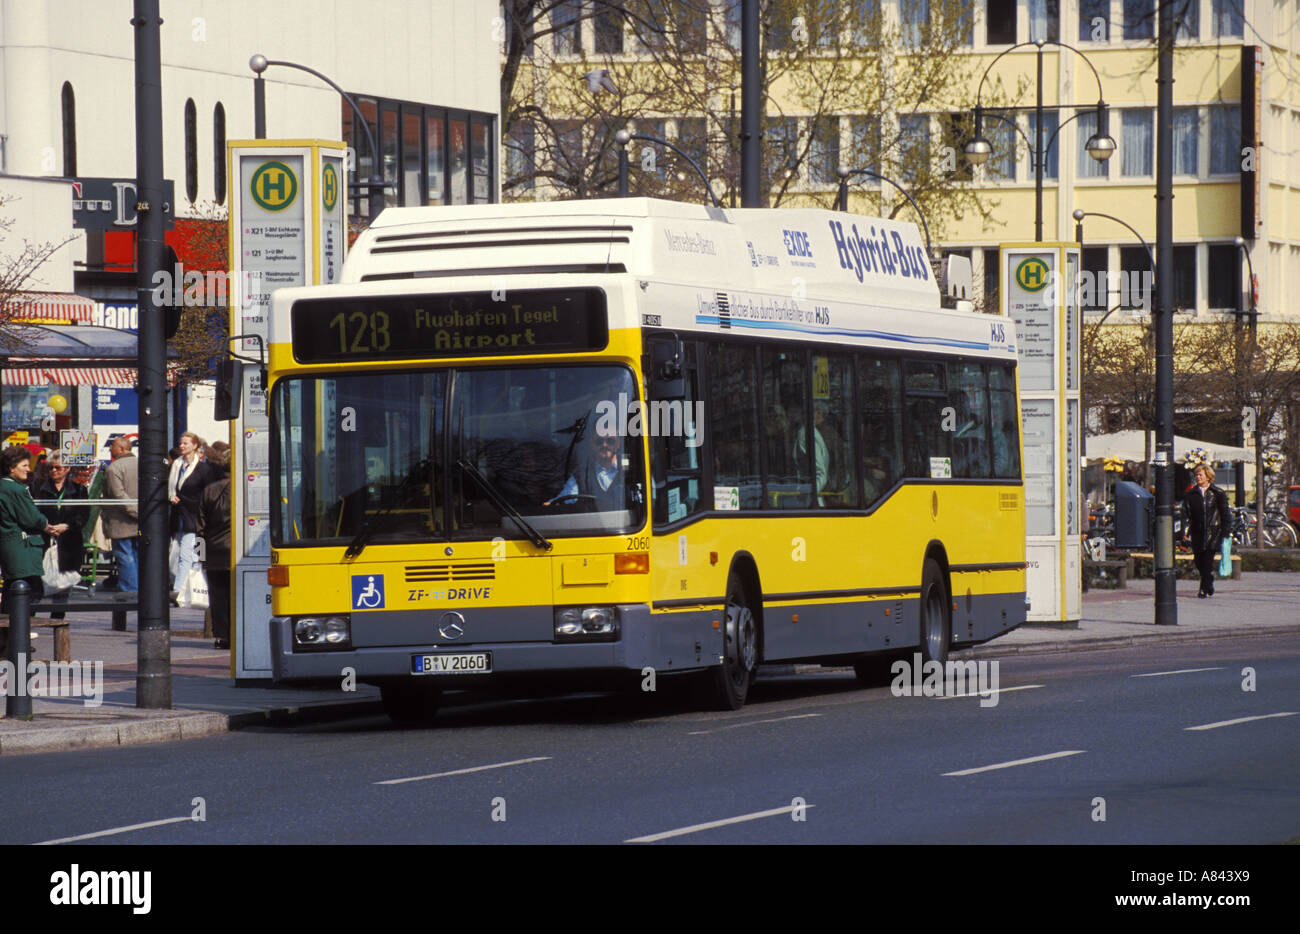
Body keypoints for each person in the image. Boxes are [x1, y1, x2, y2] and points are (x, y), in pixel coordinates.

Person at [0, 446, 61, 636]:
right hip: (22, 546)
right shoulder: (16, 489)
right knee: (26, 590)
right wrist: (45, 525)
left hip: (9, 545)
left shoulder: (4, 486)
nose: (28, 469)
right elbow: (30, 517)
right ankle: (19, 635)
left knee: (12, 590)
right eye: (24, 465)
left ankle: (9, 637)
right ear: (12, 467)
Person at [32, 452, 88, 619]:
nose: (54, 471)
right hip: (44, 540)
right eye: (51, 468)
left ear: (67, 469)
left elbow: (83, 514)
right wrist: (44, 525)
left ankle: (58, 619)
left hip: (68, 541)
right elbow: (32, 511)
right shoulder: (37, 488)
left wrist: (67, 526)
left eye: (58, 468)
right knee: (37, 583)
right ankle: (31, 620)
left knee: (63, 584)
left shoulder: (79, 490)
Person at [168, 432, 214, 600]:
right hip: (178, 517)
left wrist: (183, 500)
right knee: (192, 556)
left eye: (186, 443)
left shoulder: (203, 470)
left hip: (194, 518)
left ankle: (179, 591)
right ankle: (193, 591)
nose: (182, 446)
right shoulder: (176, 466)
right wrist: (171, 498)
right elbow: (171, 488)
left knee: (186, 556)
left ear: (195, 446)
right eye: (181, 443)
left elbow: (206, 495)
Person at [197, 448, 231, 649]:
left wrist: (202, 557)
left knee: (218, 597)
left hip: (213, 553)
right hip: (237, 553)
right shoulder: (243, 488)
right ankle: (237, 632)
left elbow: (199, 527)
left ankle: (222, 636)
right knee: (237, 595)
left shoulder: (209, 490)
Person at [1182, 464, 1232, 598]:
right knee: (1198, 561)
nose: (1198, 477)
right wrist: (1185, 532)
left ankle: (1203, 589)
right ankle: (1209, 581)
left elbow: (1225, 514)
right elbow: (1186, 515)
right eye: (1196, 475)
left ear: (1208, 477)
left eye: (1200, 475)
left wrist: (1226, 532)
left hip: (1214, 532)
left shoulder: (1218, 493)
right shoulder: (1191, 494)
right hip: (1197, 532)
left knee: (1207, 562)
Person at [547, 433, 626, 511]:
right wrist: (548, 505)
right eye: (599, 441)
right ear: (592, 444)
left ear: (618, 444)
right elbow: (566, 497)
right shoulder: (581, 474)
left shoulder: (631, 472)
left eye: (610, 441)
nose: (604, 445)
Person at [102, 437, 140, 593]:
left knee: (124, 555)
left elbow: (118, 495)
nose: (110, 448)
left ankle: (130, 589)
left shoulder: (114, 468)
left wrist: (135, 511)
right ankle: (140, 587)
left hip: (121, 521)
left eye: (113, 446)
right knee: (137, 555)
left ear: (122, 449)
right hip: (140, 520)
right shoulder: (142, 464)